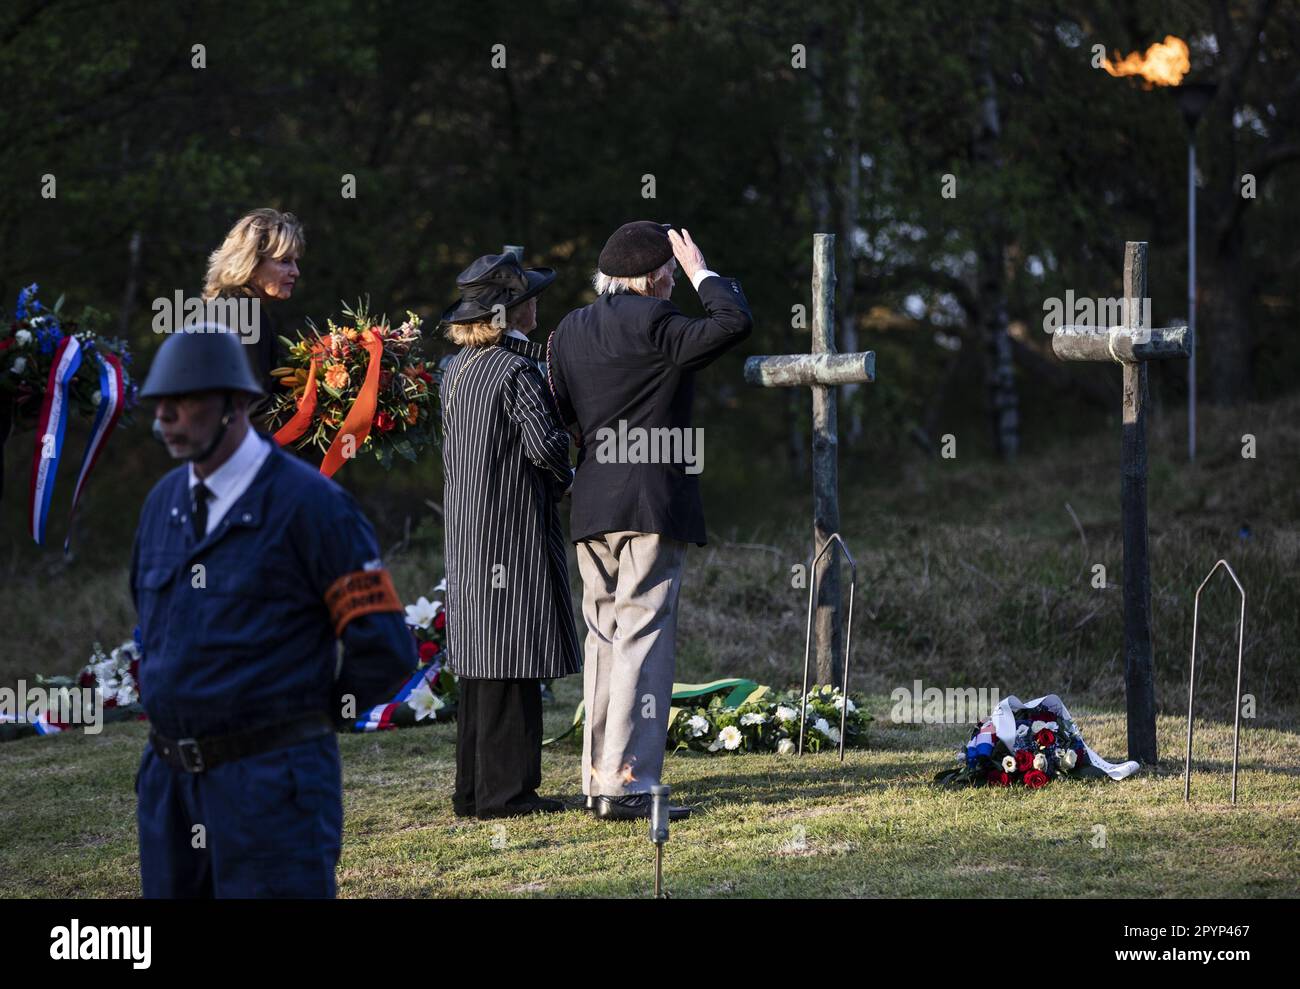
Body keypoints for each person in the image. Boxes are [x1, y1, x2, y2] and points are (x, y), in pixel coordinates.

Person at [131, 327, 414, 897]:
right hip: (170, 789)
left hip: (270, 790)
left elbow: (383, 646)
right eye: (159, 402)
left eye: (184, 401)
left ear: (235, 405)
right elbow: (149, 619)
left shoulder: (311, 506)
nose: (165, 416)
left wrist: (305, 718)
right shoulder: (163, 501)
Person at [546, 222, 752, 821]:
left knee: (604, 638)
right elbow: (731, 324)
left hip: (592, 503)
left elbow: (560, 410)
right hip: (649, 501)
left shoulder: (566, 332)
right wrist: (703, 273)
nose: (673, 285)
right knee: (642, 635)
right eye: (670, 275)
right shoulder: (657, 321)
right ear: (657, 276)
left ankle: (597, 778)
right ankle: (628, 784)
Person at [440, 252, 581, 819]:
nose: (536, 306)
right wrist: (568, 476)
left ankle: (472, 790)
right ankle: (506, 795)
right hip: (512, 531)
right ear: (507, 313)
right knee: (512, 661)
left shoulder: (455, 371)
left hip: (468, 534)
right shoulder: (515, 371)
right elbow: (546, 445)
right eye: (528, 300)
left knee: (480, 667)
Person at [203, 207, 304, 400]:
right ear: (252, 263)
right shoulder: (244, 313)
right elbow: (253, 408)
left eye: (295, 262)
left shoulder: (229, 305)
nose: (296, 272)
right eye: (285, 261)